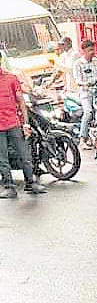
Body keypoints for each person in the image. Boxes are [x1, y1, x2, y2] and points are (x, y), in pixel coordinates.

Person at [0, 54, 46, 197]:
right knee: (2, 158)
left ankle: (30, 183)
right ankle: (9, 187)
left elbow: (21, 102)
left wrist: (25, 123)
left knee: (25, 155)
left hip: (14, 123)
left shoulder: (11, 78)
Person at [72, 39, 97, 149]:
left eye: (93, 50)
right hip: (86, 93)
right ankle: (82, 139)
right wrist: (87, 83)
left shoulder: (96, 62)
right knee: (88, 113)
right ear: (83, 51)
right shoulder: (78, 64)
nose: (92, 52)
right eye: (89, 50)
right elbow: (77, 80)